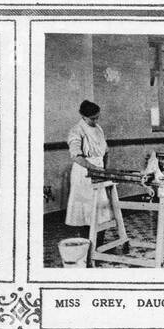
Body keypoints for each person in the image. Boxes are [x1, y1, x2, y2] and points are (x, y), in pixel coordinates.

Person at [64, 99, 109, 241]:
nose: (96, 120)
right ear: (83, 116)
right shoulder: (76, 130)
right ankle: (88, 243)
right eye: (93, 118)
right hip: (84, 172)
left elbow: (105, 150)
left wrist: (104, 170)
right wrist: (95, 168)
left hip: (99, 170)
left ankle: (99, 242)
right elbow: (76, 157)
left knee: (101, 209)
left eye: (97, 117)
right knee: (86, 210)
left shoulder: (98, 128)